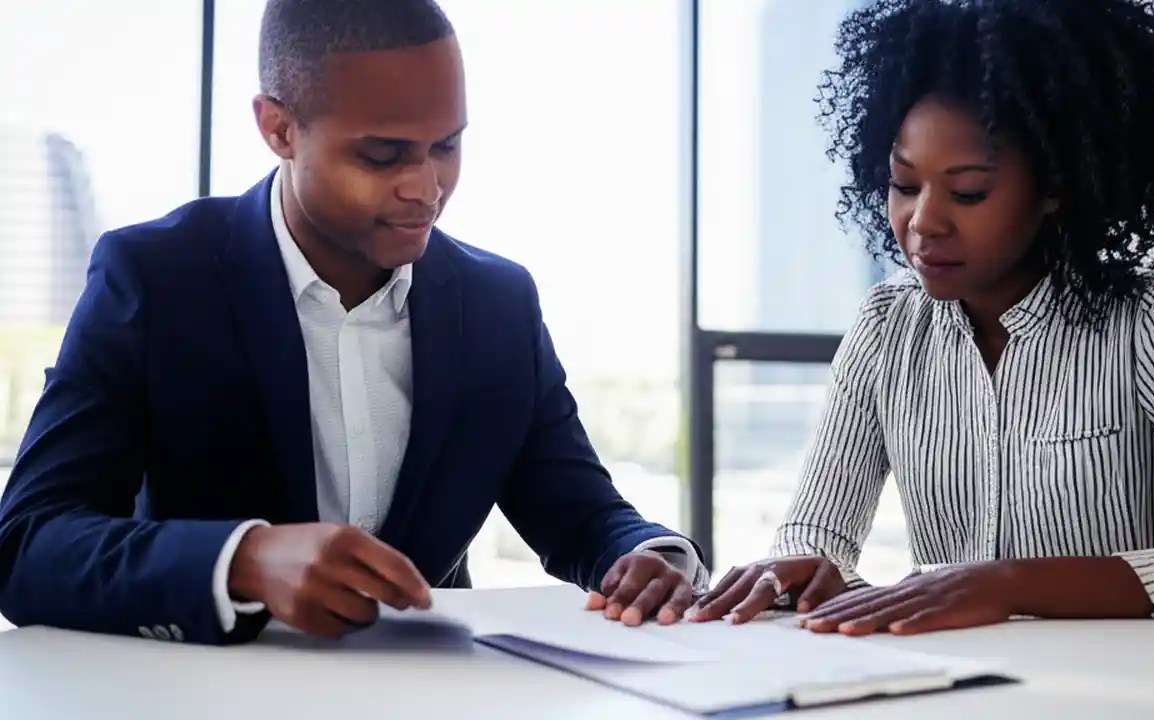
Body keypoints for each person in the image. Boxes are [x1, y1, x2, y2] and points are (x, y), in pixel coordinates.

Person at [0, 0, 705, 645]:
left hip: (432, 696)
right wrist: (241, 559)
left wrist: (647, 557)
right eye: (383, 155)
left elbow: (578, 512)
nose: (425, 189)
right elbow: (29, 544)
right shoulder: (156, 277)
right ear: (278, 127)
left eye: (447, 146)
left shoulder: (498, 302)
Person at [688, 0, 1154, 634]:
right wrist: (799, 570)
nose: (921, 223)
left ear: (1056, 185)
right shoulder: (886, 328)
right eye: (904, 185)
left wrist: (1006, 583)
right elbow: (818, 533)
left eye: (968, 192)